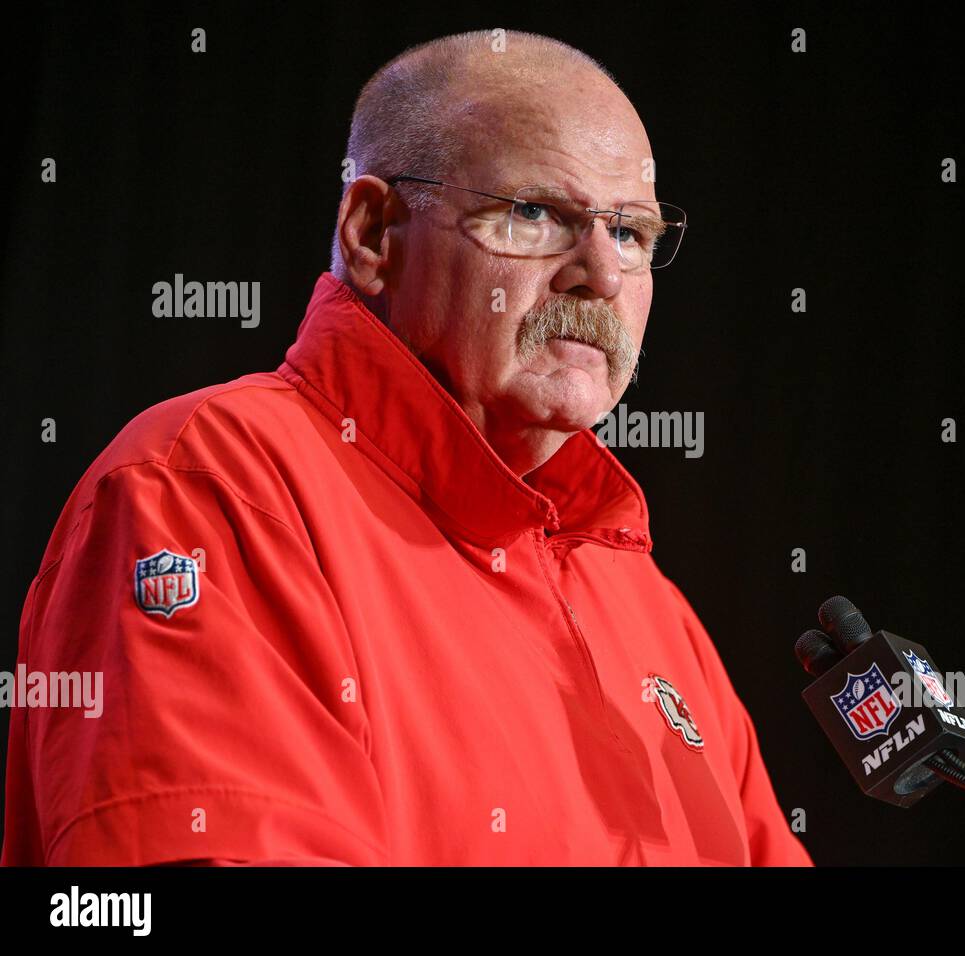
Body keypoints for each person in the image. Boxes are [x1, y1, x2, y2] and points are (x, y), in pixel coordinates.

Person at [1, 29, 813, 866]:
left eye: (631, 234)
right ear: (375, 232)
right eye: (535, 214)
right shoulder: (207, 489)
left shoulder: (648, 603)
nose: (602, 276)